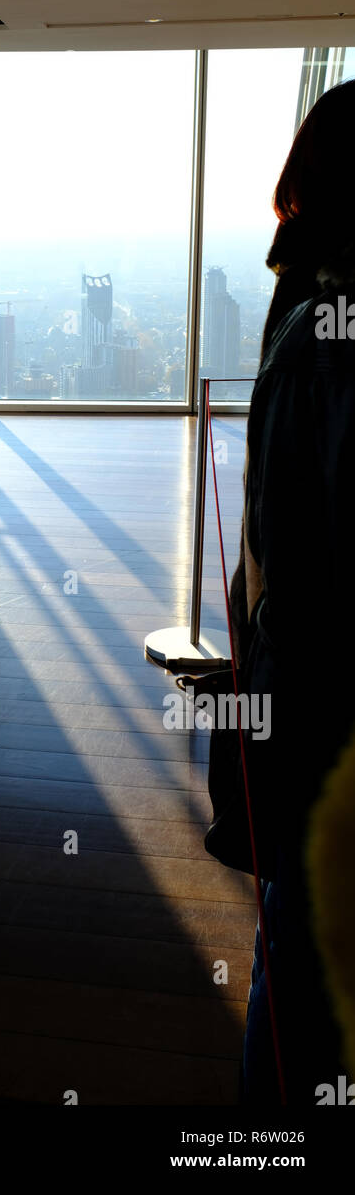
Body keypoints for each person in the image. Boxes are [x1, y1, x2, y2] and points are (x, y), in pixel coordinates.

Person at [222, 78, 355, 1103]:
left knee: (297, 946)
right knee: (308, 944)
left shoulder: (309, 319)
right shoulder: (333, 332)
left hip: (299, 689)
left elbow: (280, 536)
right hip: (323, 696)